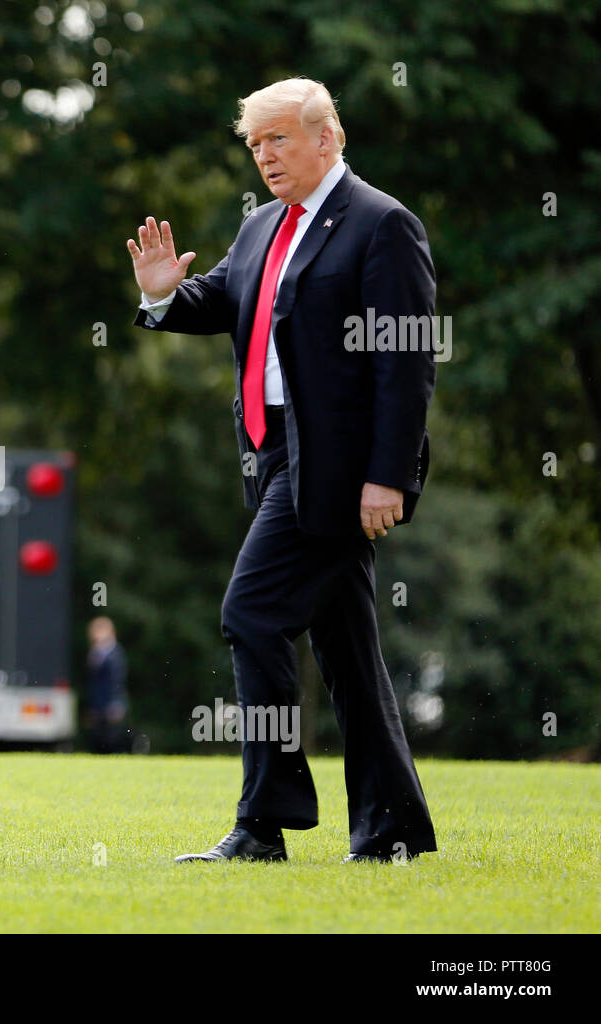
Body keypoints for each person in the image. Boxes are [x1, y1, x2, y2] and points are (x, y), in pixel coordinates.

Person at [126, 78, 438, 863]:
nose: (264, 156)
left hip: (335, 469)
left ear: (327, 137)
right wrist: (165, 297)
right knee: (349, 656)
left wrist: (388, 476)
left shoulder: (382, 223)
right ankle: (393, 828)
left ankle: (263, 824)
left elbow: (405, 365)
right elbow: (229, 301)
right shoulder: (263, 224)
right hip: (272, 460)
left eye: (279, 140)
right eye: (254, 144)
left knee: (252, 615)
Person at [84, 617, 129, 753]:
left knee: (112, 740)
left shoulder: (115, 654)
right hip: (99, 703)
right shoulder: (96, 653)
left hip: (111, 703)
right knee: (98, 739)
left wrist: (115, 703)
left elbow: (117, 680)